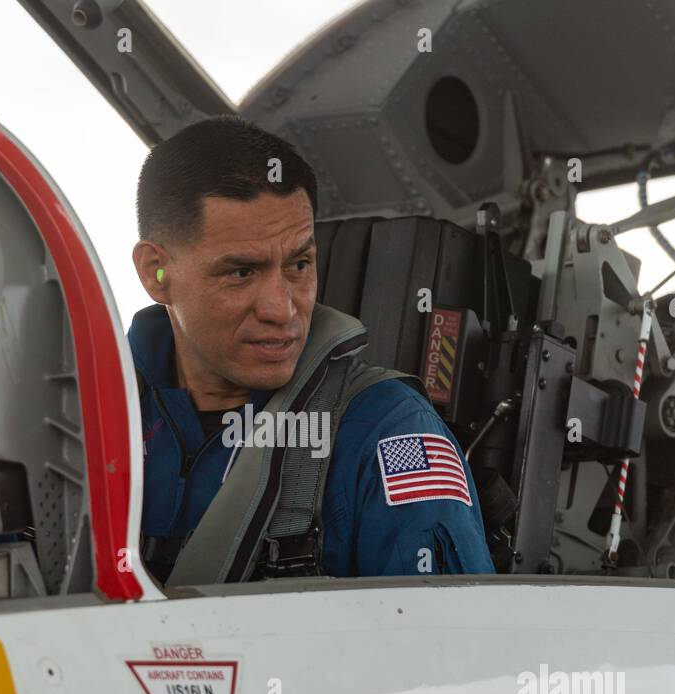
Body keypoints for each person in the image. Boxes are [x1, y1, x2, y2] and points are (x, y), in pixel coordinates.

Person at [128, 116, 493, 585]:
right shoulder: (81, 420)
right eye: (241, 273)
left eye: (299, 264)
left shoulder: (390, 432)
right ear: (156, 272)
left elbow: (450, 642)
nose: (283, 310)